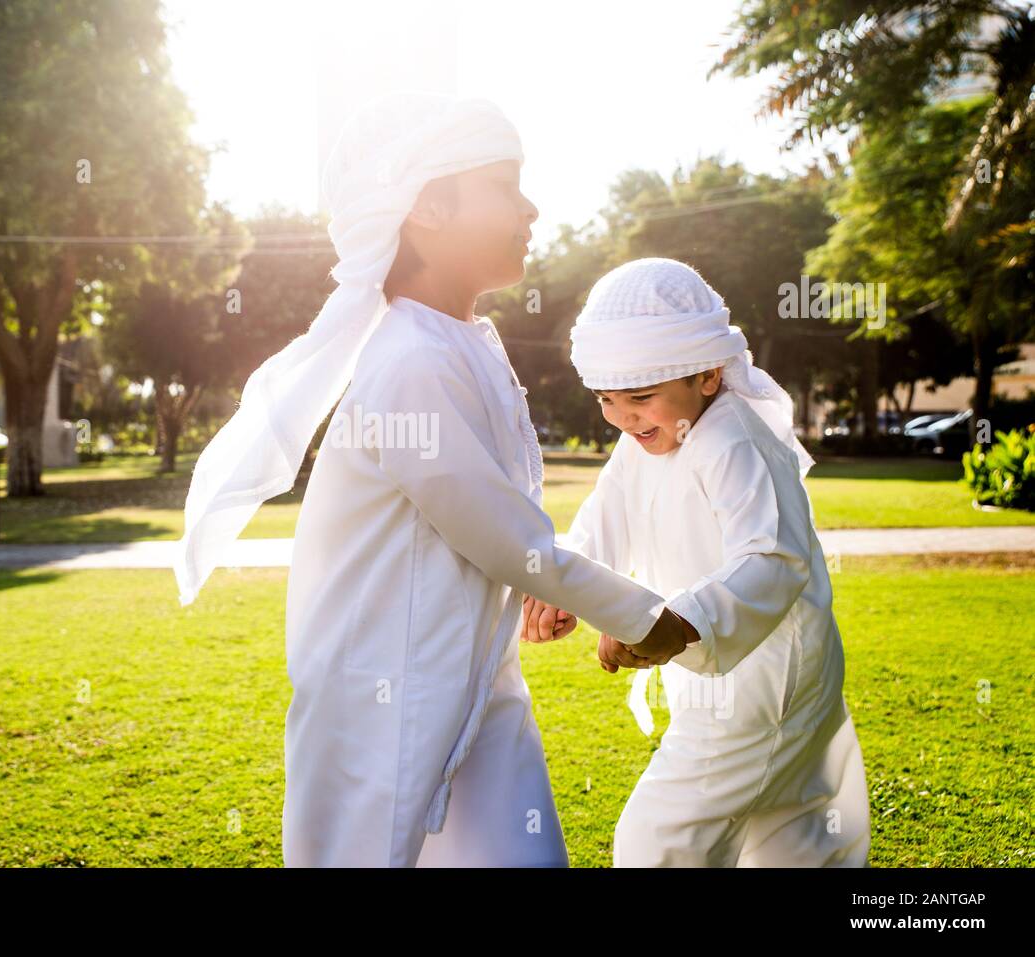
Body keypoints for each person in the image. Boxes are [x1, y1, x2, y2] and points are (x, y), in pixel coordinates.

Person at [173, 94, 694, 867]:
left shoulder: (466, 342)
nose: (532, 206)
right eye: (507, 185)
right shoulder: (408, 359)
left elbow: (486, 532)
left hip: (480, 689)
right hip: (384, 705)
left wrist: (534, 589)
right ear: (429, 207)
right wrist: (647, 616)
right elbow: (501, 535)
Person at [523, 257, 871, 866]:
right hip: (725, 681)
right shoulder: (648, 440)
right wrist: (562, 585)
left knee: (659, 839)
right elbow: (605, 521)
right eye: (606, 399)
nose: (622, 417)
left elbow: (774, 558)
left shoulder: (736, 439)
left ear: (708, 375)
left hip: (765, 688)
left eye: (639, 397)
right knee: (788, 839)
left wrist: (677, 624)